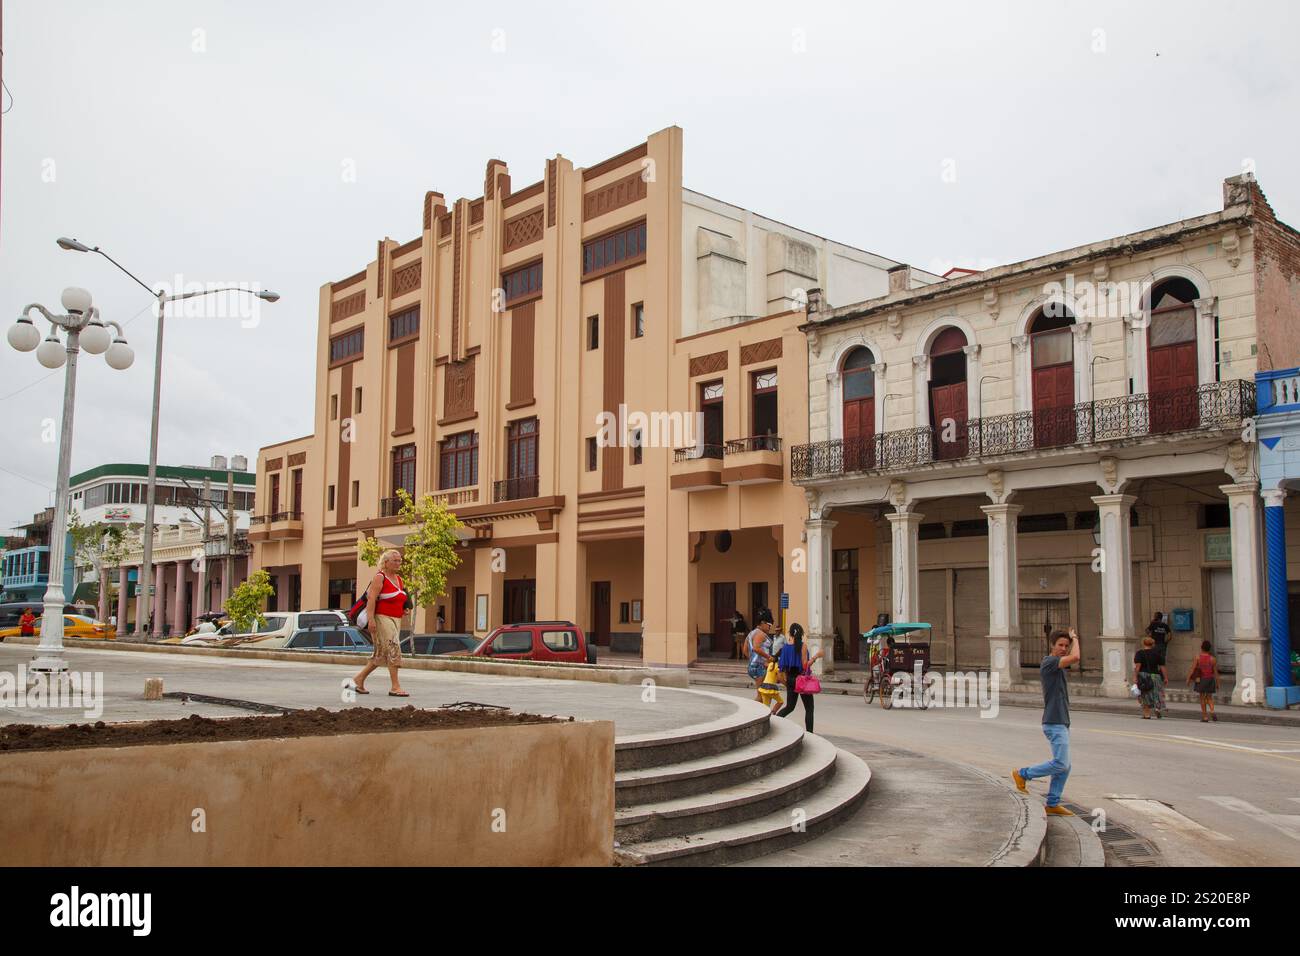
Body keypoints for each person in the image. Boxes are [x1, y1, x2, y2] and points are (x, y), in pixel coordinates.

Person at [1012, 627, 1079, 816]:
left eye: (1067, 645)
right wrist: (1076, 639)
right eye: (1061, 645)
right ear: (1052, 646)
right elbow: (1076, 658)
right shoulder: (1049, 662)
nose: (1064, 648)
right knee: (1061, 764)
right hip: (1053, 722)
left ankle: (1052, 803)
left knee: (1065, 765)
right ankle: (1022, 774)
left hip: (1061, 721)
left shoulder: (1057, 665)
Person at [350, 549, 409, 697]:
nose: (398, 563)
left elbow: (398, 598)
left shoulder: (399, 579)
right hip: (382, 618)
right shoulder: (379, 577)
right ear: (386, 562)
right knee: (394, 648)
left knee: (381, 654)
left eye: (399, 560)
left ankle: (358, 679)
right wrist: (371, 620)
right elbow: (371, 599)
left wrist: (404, 608)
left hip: (396, 619)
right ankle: (395, 686)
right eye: (395, 560)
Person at [777, 622, 822, 732]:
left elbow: (781, 668)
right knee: (809, 709)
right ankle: (810, 733)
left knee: (790, 707)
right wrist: (816, 656)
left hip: (790, 679)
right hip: (801, 680)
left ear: (790, 634)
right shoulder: (803, 646)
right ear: (801, 634)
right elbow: (805, 666)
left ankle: (775, 722)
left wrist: (786, 682)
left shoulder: (785, 648)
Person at [745, 609, 778, 703]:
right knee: (761, 696)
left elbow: (745, 650)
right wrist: (768, 657)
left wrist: (752, 660)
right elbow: (756, 648)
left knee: (763, 694)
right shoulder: (761, 634)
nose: (770, 628)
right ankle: (752, 714)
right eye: (769, 625)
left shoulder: (750, 634)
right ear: (763, 622)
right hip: (760, 667)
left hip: (753, 666)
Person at [1133, 635, 1168, 719]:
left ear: (1143, 643)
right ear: (1153, 644)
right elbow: (1162, 667)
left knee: (1145, 694)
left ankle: (1147, 714)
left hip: (1144, 676)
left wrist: (1135, 676)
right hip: (1155, 676)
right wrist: (1166, 677)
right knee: (1157, 693)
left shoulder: (1139, 653)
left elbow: (1138, 666)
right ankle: (1157, 708)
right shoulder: (1157, 653)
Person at [1187, 639, 1219, 722]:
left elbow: (1193, 669)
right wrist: (1218, 683)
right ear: (1209, 649)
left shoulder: (1197, 657)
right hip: (1210, 679)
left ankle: (1205, 716)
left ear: (1201, 648)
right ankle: (1212, 710)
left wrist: (1188, 679)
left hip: (1201, 679)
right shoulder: (1213, 659)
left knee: (1202, 698)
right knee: (1209, 697)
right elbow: (1215, 673)